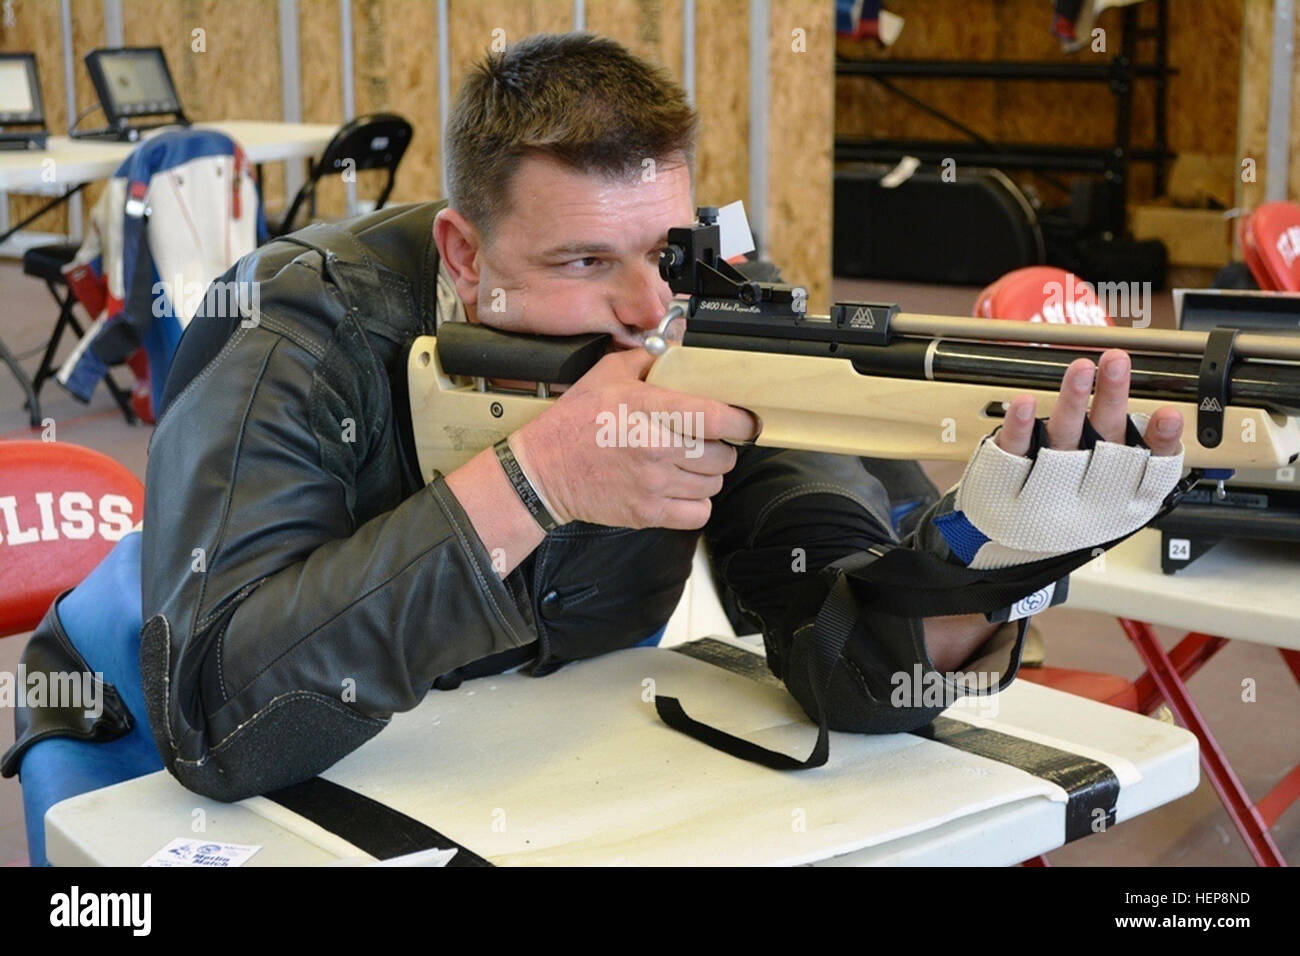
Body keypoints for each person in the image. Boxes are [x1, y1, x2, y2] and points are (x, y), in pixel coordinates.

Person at [134, 32, 1184, 800]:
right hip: (188, 760)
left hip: (531, 774)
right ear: (463, 254)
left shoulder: (711, 310)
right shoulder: (298, 324)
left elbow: (851, 671)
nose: (647, 310)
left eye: (665, 249)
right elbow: (216, 723)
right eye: (584, 261)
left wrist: (988, 556)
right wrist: (527, 486)